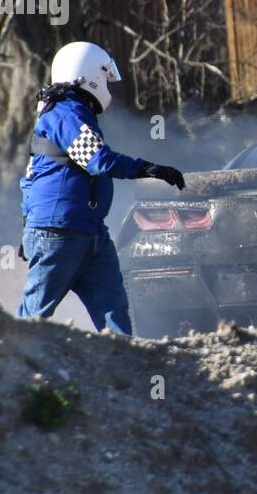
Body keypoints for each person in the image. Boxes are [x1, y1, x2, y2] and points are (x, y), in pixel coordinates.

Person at [18, 42, 185, 335]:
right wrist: (149, 168)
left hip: (89, 233)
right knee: (31, 322)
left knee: (114, 312)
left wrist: (26, 224)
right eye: (106, 77)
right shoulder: (66, 114)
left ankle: (126, 368)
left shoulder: (73, 112)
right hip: (59, 233)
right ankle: (8, 371)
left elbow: (30, 179)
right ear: (90, 76)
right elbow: (99, 160)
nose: (109, 86)